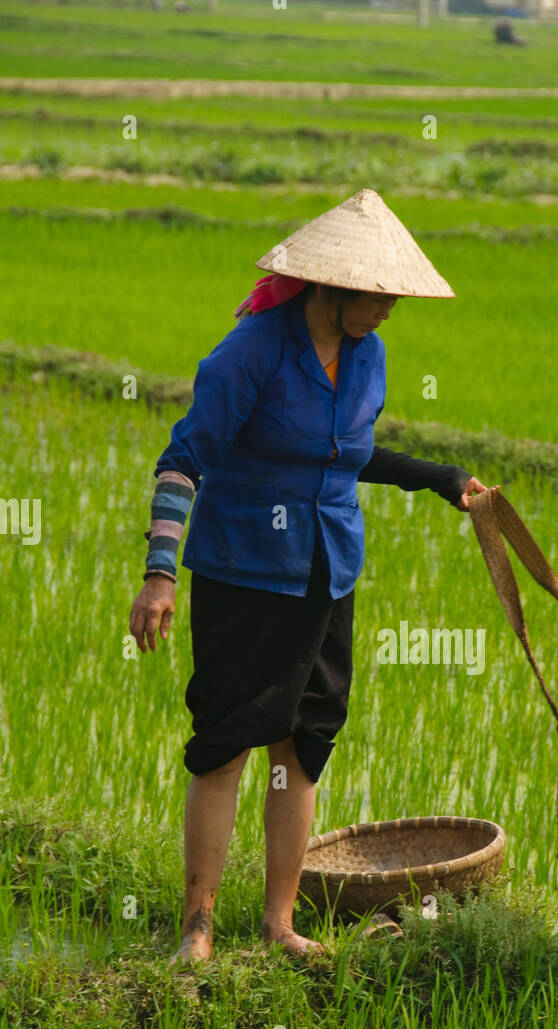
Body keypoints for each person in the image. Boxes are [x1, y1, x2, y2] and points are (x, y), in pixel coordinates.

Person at [128, 189, 489, 963]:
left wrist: (438, 477)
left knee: (302, 748)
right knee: (226, 744)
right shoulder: (250, 354)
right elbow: (182, 461)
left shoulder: (367, 355)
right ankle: (197, 928)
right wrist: (160, 576)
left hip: (327, 574)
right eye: (378, 295)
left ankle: (279, 924)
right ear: (330, 286)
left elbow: (345, 455)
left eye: (394, 297)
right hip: (245, 572)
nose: (388, 309)